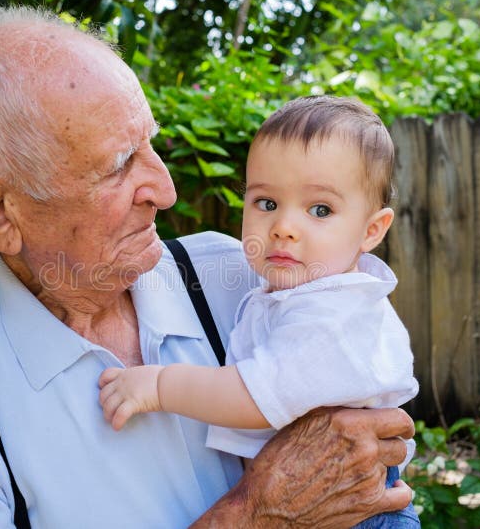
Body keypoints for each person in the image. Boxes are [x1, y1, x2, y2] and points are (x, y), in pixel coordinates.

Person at [0, 7, 416, 528]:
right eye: (120, 164)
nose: (164, 191)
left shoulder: (243, 277)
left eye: (151, 144)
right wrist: (253, 517)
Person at [99, 96, 420, 527]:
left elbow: (253, 397)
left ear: (372, 230)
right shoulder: (298, 293)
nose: (283, 226)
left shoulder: (332, 314)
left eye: (320, 210)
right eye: (266, 203)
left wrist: (159, 385)